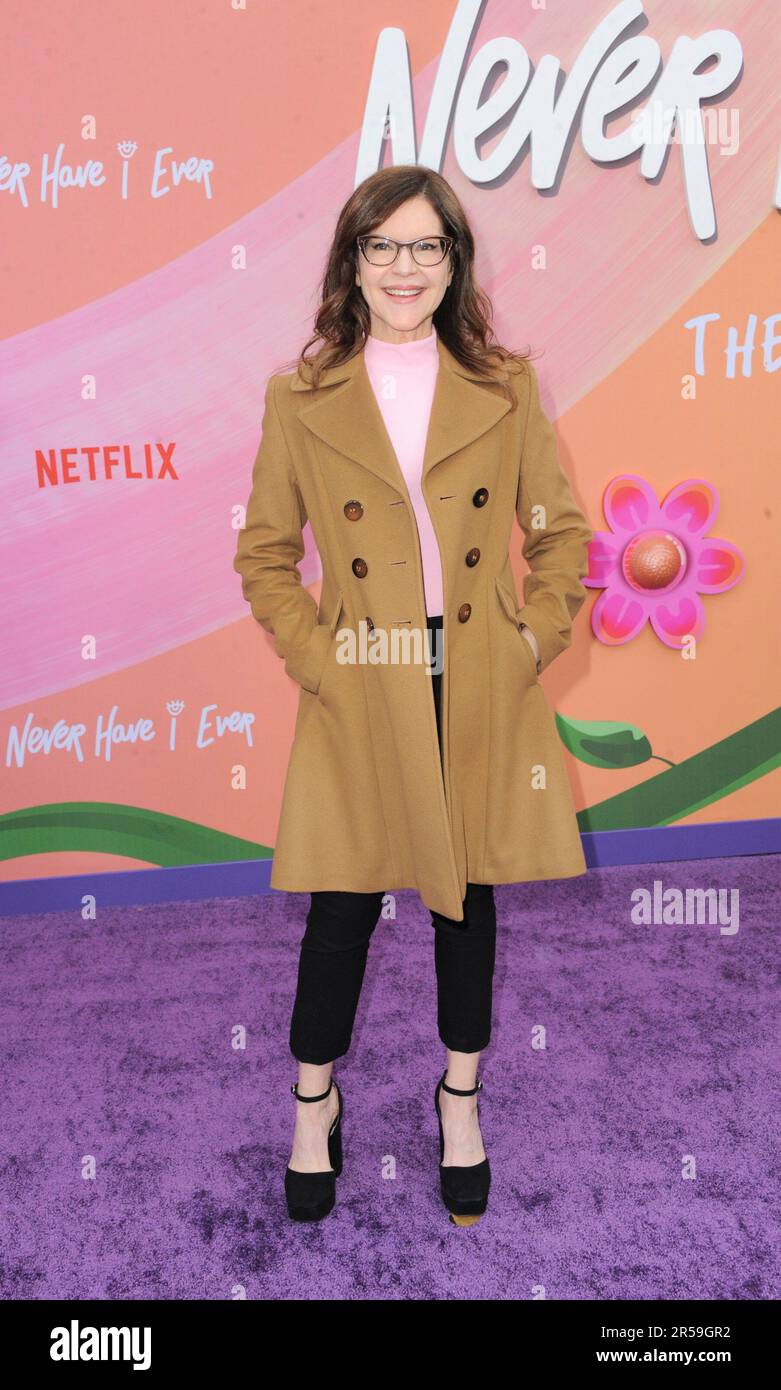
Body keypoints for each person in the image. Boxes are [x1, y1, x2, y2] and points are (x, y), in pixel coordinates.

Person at [233, 165, 593, 1224]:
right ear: (351, 262)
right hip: (363, 677)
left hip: (475, 669)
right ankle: (312, 1105)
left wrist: (532, 637)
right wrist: (319, 658)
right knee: (341, 901)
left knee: (465, 896)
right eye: (381, 246)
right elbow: (264, 553)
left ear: (453, 262)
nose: (404, 267)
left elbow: (561, 532)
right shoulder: (297, 399)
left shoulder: (506, 384)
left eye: (426, 247)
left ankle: (460, 1097)